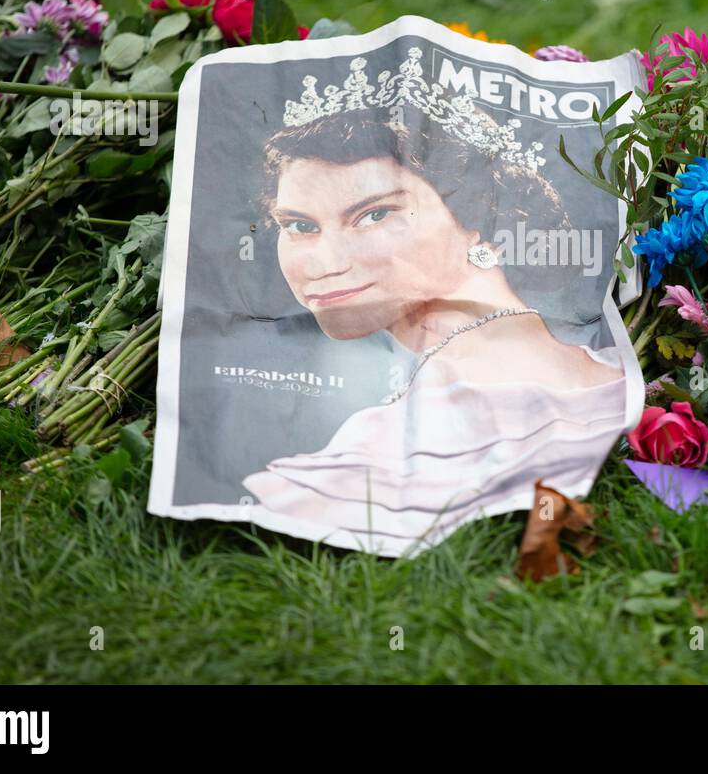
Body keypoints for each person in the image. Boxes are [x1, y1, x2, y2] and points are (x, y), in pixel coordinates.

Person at [242, 103, 630, 555]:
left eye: (374, 215)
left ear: (480, 221)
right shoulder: (623, 371)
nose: (326, 264)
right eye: (298, 225)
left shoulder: (383, 450)